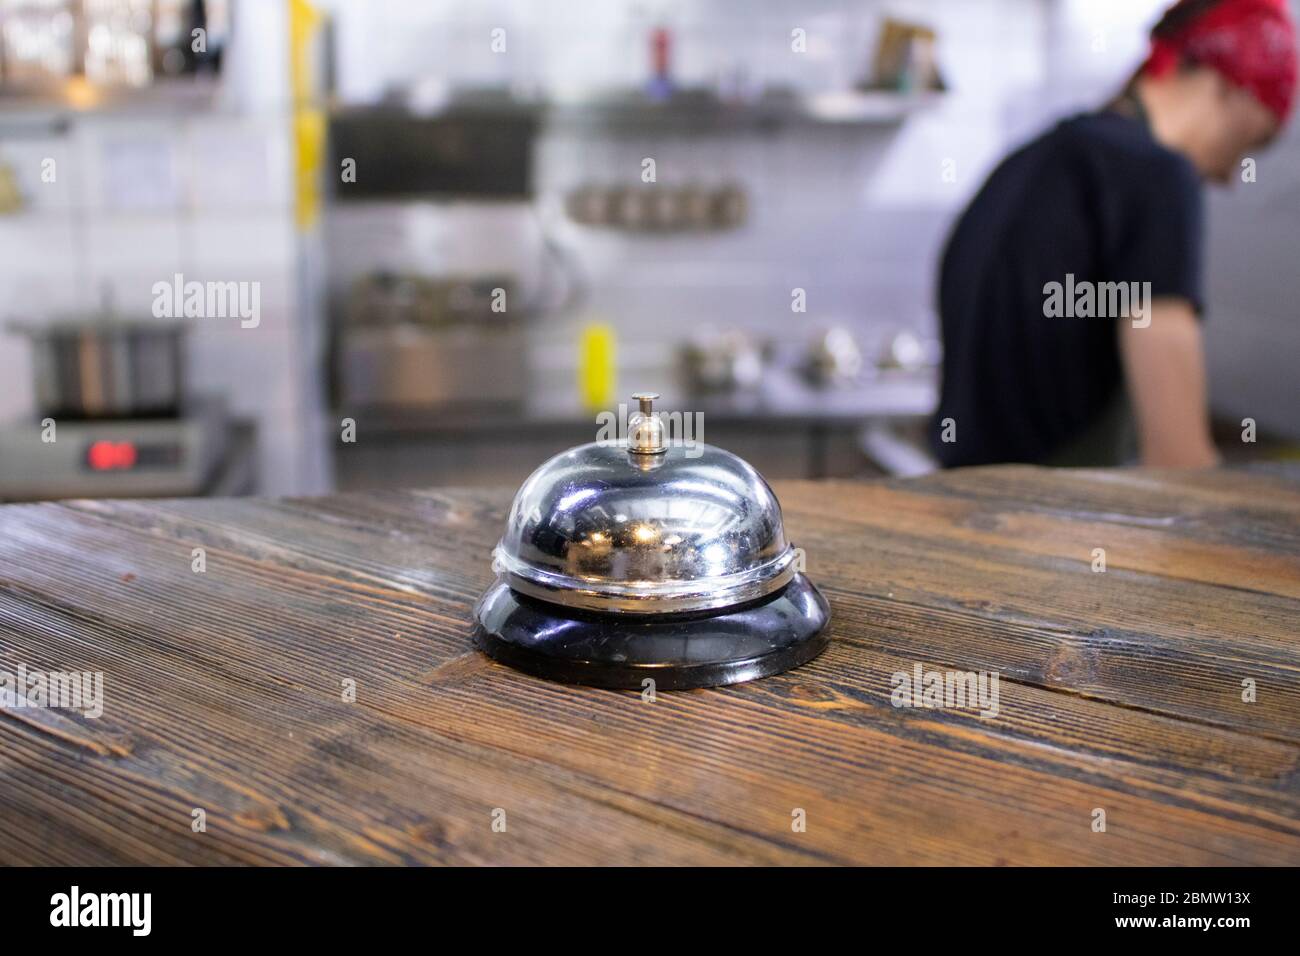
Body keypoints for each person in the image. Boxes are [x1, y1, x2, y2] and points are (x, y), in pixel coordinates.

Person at [929, 0, 1297, 468]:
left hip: (962, 503)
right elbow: (1178, 458)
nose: (1229, 176)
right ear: (1228, 87)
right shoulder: (1160, 177)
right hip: (1052, 523)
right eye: (1252, 142)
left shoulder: (1037, 157)